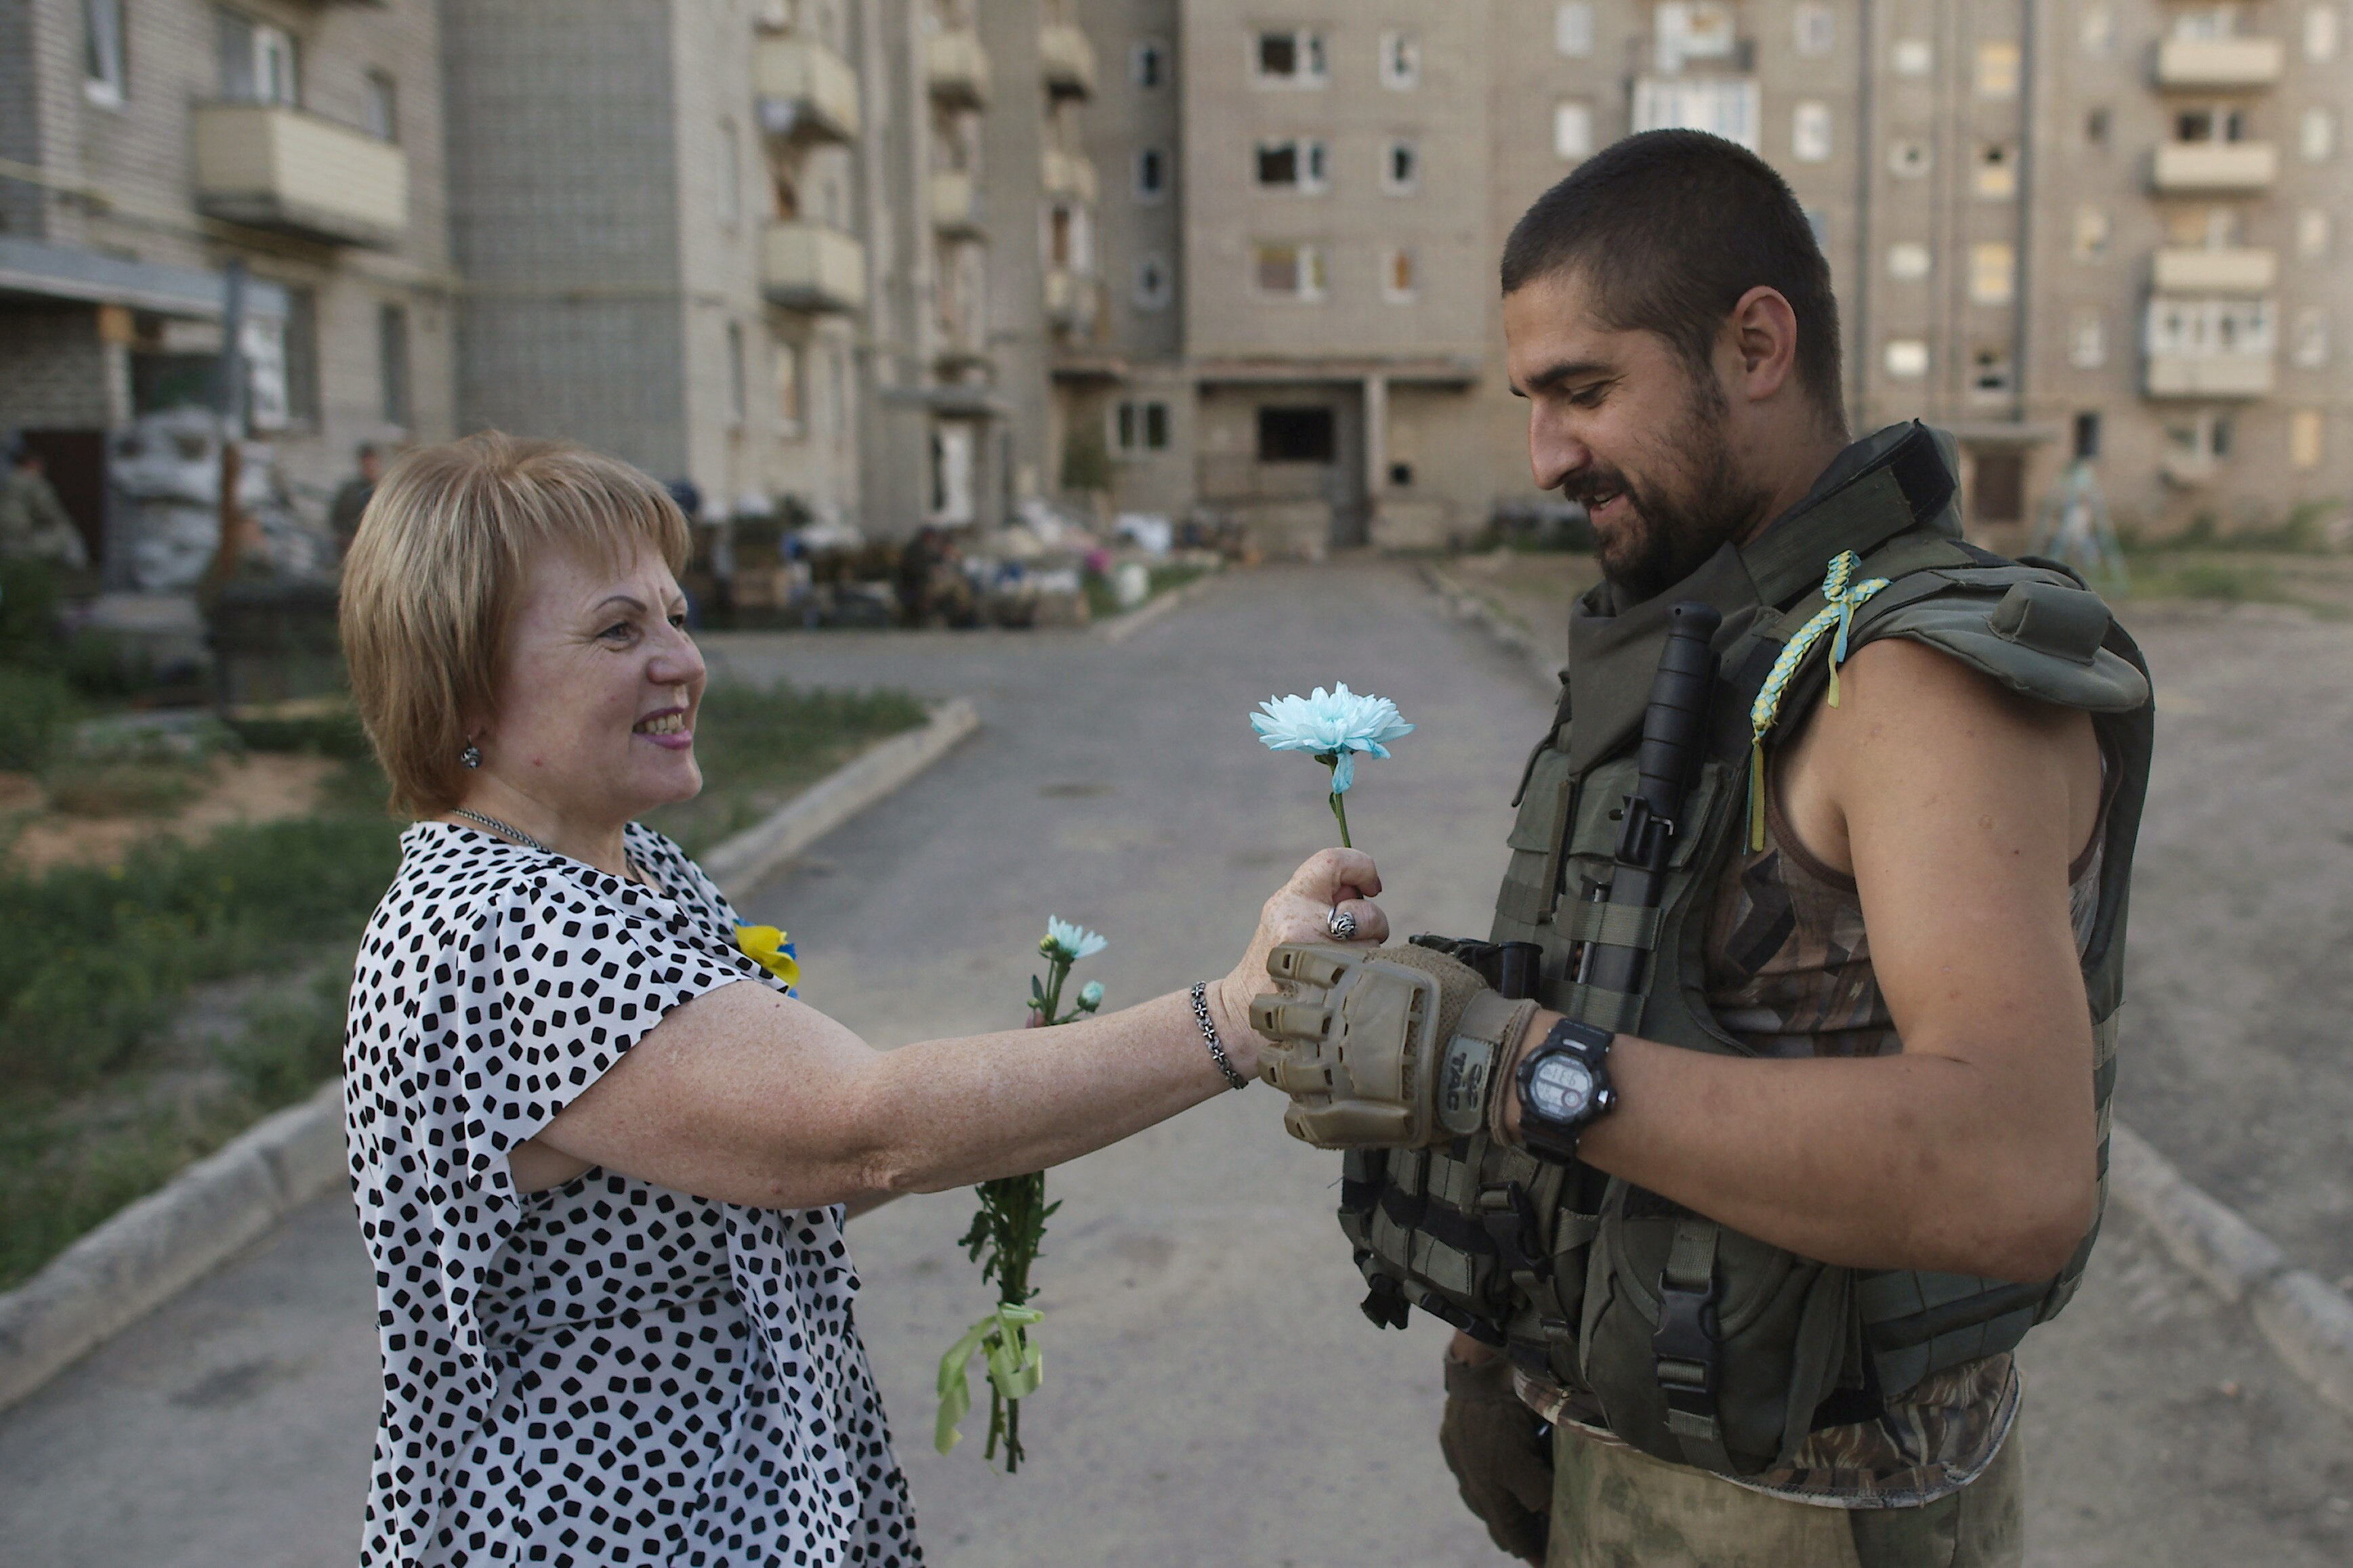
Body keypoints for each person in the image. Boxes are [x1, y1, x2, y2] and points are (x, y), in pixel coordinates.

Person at [1249, 130, 2152, 1567]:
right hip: (1630, 1452)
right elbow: (1618, 988)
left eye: (1583, 390)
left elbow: (2013, 1171)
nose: (1545, 453)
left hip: (1822, 1516)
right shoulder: (1717, 638)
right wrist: (1495, 1356)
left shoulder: (1910, 683)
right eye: (1529, 400)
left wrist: (1495, 1060)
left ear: (1751, 344)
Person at [335, 431, 1383, 1568]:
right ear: (463, 682)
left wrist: (1011, 1104)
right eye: (617, 630)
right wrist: (1239, 1015)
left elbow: (754, 1183)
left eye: (676, 617)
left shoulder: (620, 867)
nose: (683, 661)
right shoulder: (508, 932)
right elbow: (860, 1130)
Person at [0, 435, 91, 572]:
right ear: (32, 464)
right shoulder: (31, 480)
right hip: (19, 541)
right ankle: (79, 572)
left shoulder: (8, 480)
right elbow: (50, 510)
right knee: (67, 533)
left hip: (9, 538)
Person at [329, 442, 383, 561]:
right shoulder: (350, 493)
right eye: (367, 466)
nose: (371, 469)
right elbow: (336, 521)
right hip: (355, 548)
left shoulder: (385, 492)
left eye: (373, 465)